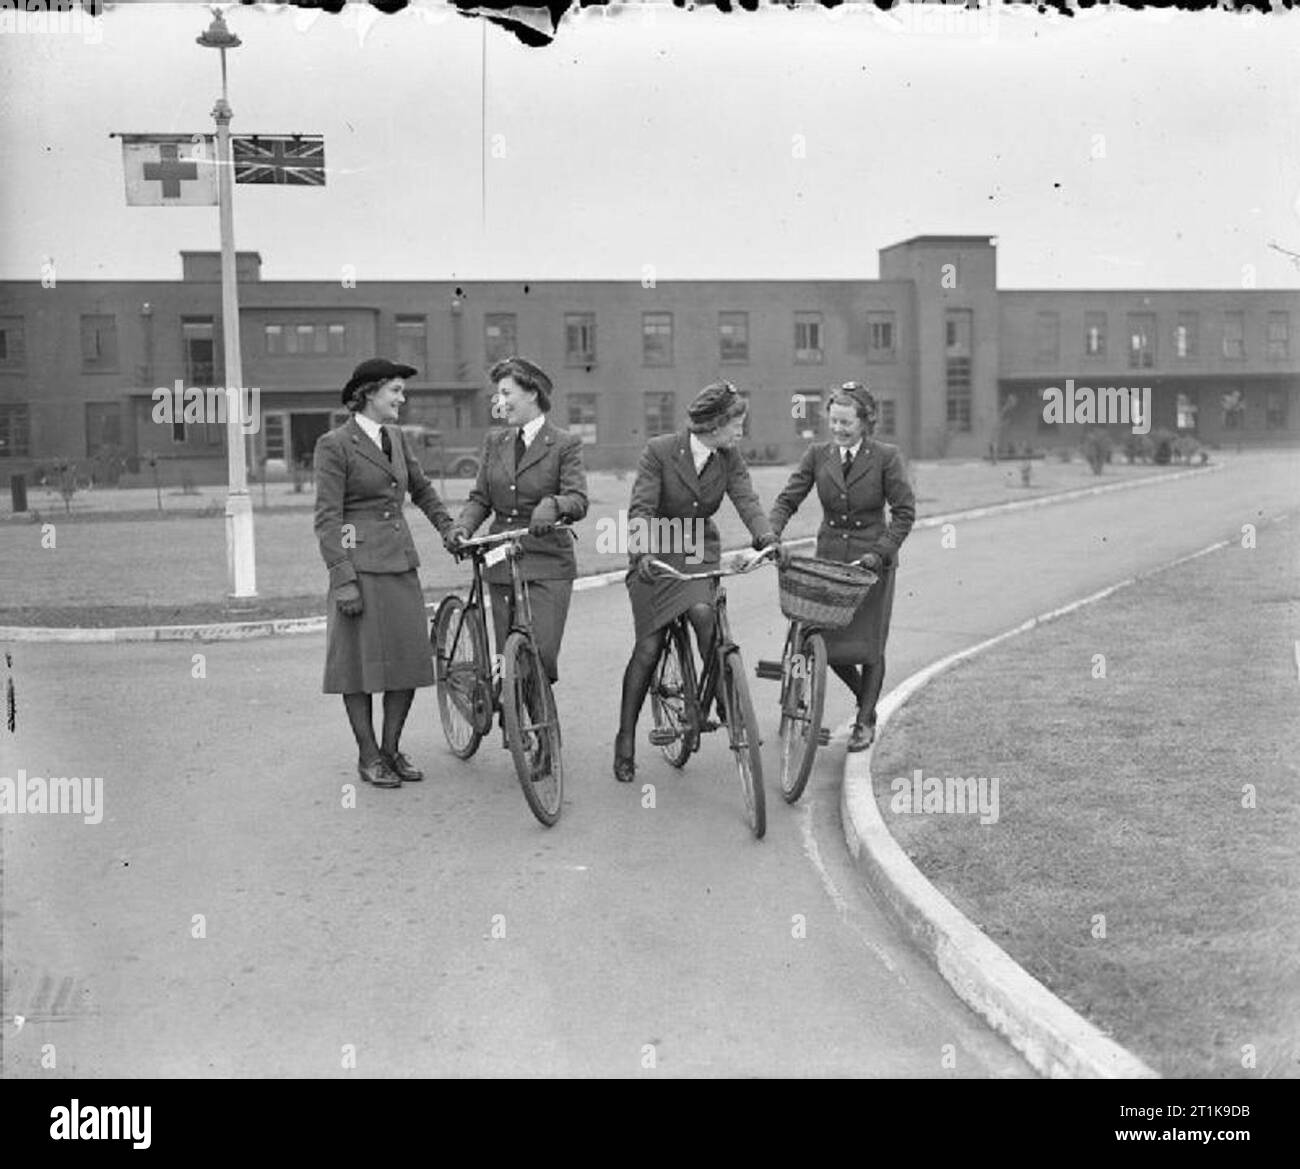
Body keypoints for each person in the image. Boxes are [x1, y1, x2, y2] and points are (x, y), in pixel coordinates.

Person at [613, 381, 782, 783]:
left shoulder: (728, 457)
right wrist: (642, 554)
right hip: (655, 548)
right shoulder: (660, 451)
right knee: (650, 647)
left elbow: (746, 499)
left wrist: (767, 538)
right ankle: (624, 738)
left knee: (704, 613)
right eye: (736, 424)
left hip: (695, 547)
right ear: (715, 424)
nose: (740, 432)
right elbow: (640, 508)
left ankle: (727, 705)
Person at [314, 358, 456, 788]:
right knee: (359, 668)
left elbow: (422, 489)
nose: (401, 398)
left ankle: (392, 749)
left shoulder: (395, 437)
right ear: (370, 393)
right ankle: (368, 755)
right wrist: (343, 579)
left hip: (399, 565)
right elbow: (327, 518)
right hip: (360, 570)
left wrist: (449, 528)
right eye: (394, 390)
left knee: (407, 662)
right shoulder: (335, 444)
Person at [768, 382, 916, 752]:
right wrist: (771, 532)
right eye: (833, 421)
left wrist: (880, 553)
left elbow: (904, 513)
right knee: (828, 644)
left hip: (871, 564)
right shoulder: (818, 455)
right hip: (830, 559)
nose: (838, 429)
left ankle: (865, 720)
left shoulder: (886, 457)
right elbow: (789, 498)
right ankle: (865, 702)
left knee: (868, 647)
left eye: (846, 423)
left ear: (865, 422)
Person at [442, 357, 588, 693]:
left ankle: (534, 713)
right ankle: (517, 723)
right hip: (502, 560)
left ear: (532, 393)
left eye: (506, 393)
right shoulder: (496, 441)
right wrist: (462, 528)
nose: (500, 401)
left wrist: (552, 506)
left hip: (549, 560)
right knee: (505, 655)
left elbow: (577, 499)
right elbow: (481, 498)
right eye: (498, 394)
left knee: (543, 652)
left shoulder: (565, 444)